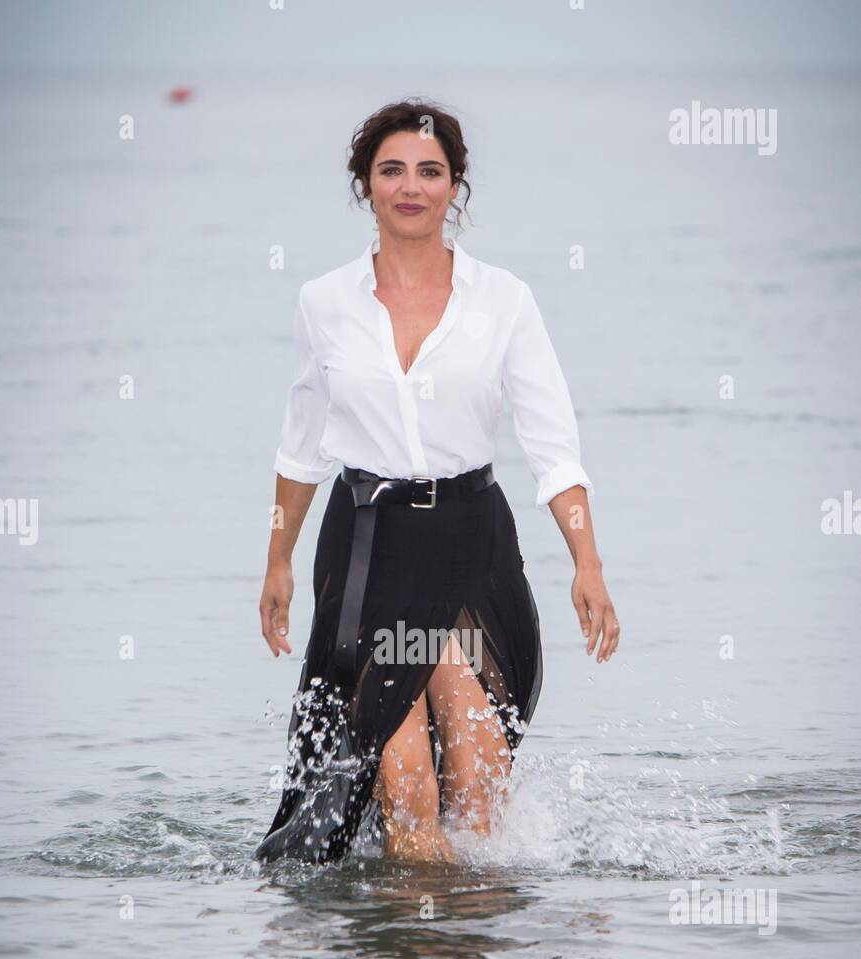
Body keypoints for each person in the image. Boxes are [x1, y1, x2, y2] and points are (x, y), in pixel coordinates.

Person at [256, 99, 619, 866]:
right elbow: (301, 447)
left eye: (430, 171)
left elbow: (553, 447)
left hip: (470, 544)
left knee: (478, 780)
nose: (411, 186)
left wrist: (587, 562)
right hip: (370, 546)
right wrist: (278, 559)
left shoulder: (504, 301)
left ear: (456, 186)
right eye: (392, 170)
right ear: (366, 184)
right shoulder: (323, 303)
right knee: (407, 785)